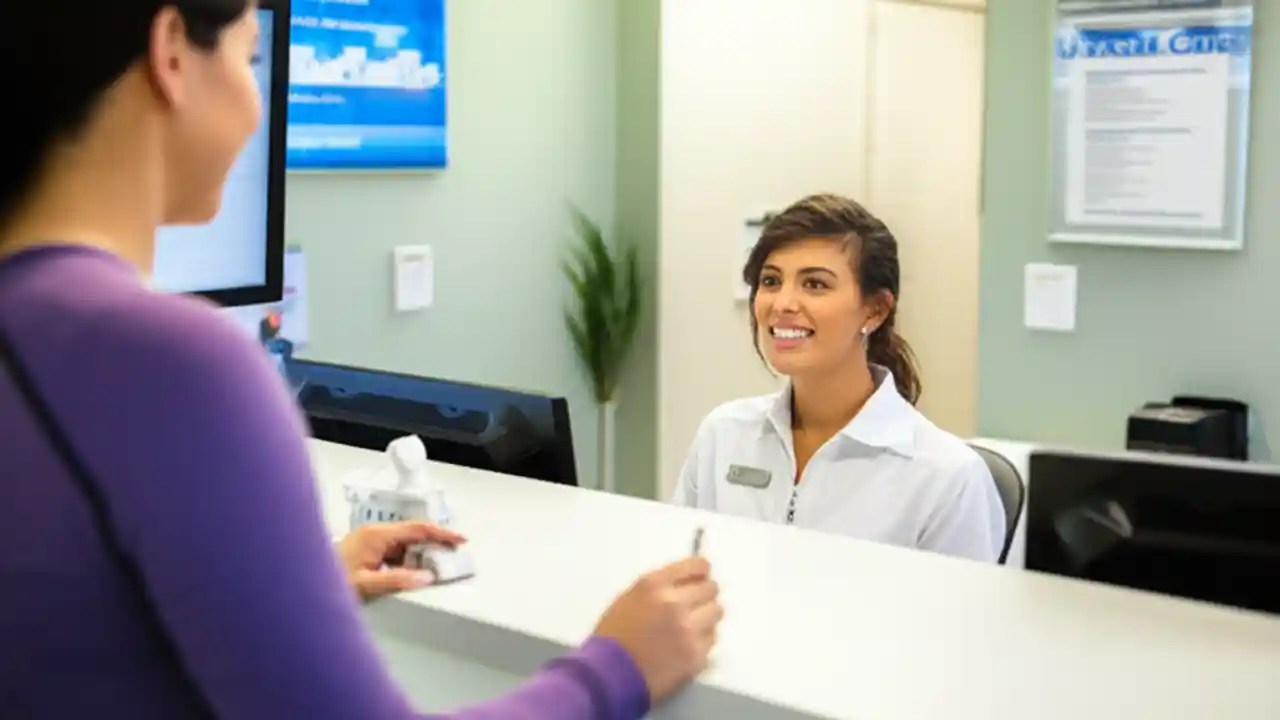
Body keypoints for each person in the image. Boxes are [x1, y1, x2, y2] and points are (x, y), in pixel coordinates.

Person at [0, 2, 721, 718]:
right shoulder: (173, 366)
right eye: (252, 58)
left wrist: (285, 591)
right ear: (172, 53)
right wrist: (619, 665)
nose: (256, 107)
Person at [671, 194, 1005, 562]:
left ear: (875, 310)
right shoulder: (723, 434)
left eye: (815, 284)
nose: (782, 304)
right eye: (771, 281)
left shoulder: (947, 477)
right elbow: (679, 572)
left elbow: (958, 603)